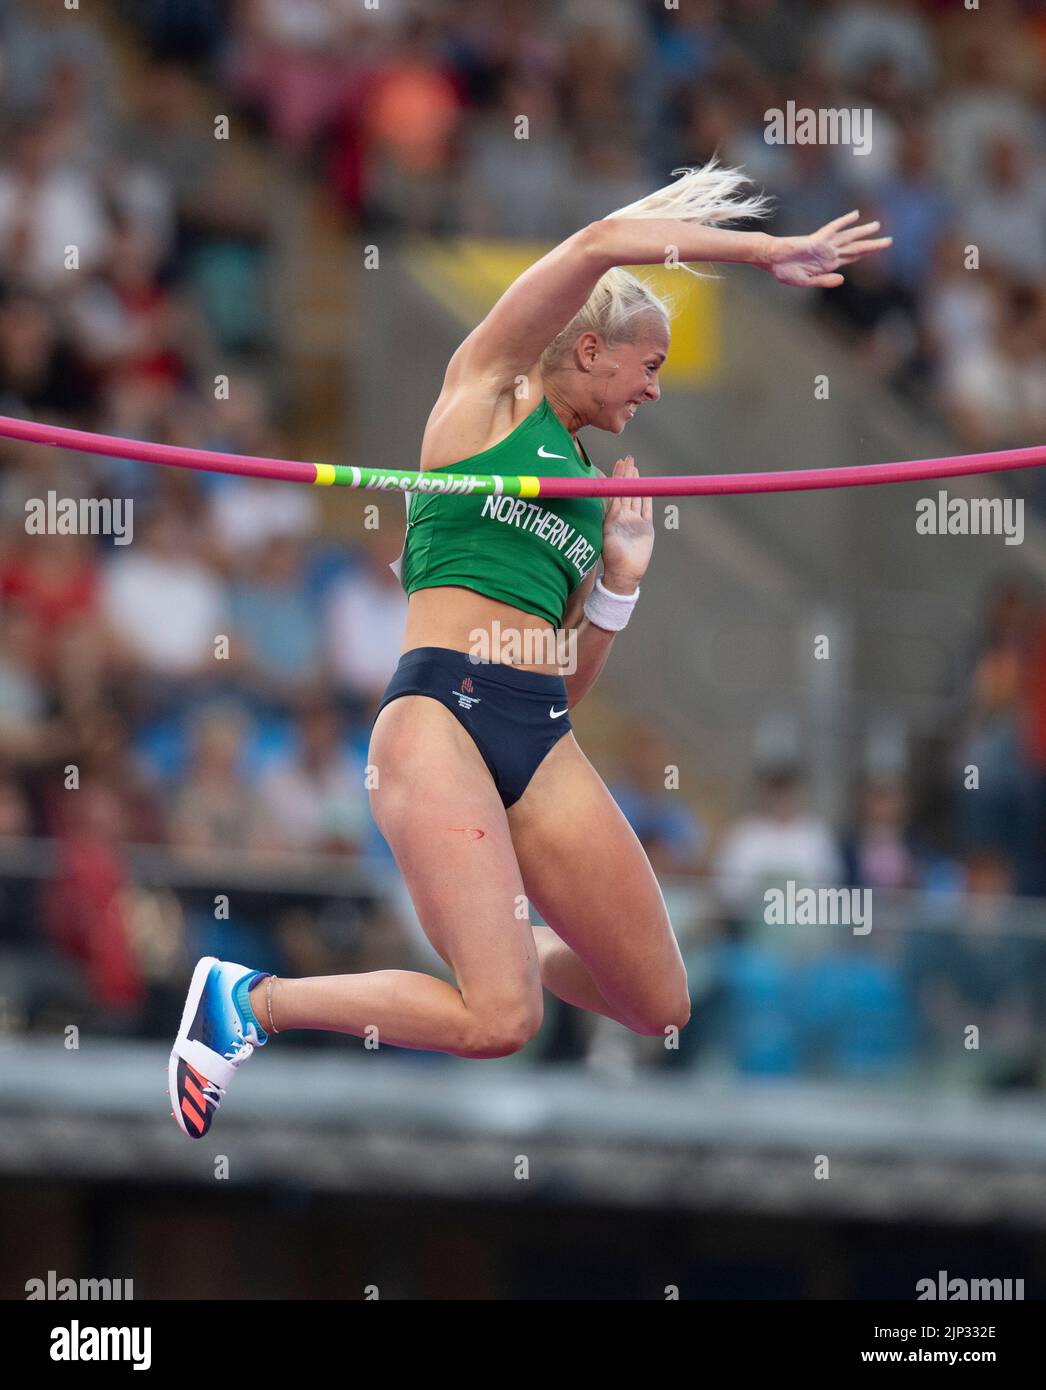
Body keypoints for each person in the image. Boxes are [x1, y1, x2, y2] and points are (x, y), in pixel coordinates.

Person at [168, 157, 890, 1137]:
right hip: (436, 720)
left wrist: (619, 588)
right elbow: (597, 243)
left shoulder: (591, 499)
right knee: (499, 1017)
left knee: (658, 1003)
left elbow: (568, 682)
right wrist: (764, 249)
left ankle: (494, 935)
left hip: (536, 730)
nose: (654, 390)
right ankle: (247, 1002)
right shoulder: (486, 395)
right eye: (649, 364)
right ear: (589, 348)